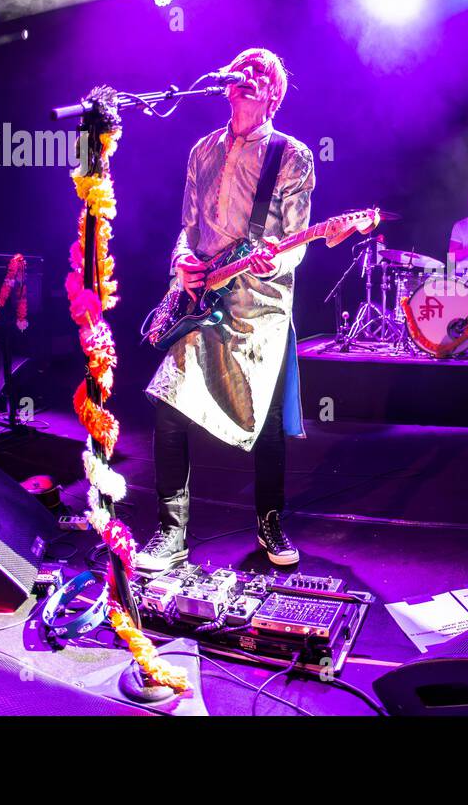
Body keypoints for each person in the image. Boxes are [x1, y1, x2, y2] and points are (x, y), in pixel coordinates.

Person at [137, 48, 315, 573]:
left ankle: (270, 521)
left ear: (273, 95)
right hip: (201, 299)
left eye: (259, 74)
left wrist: (268, 261)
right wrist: (182, 259)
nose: (246, 78)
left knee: (265, 424)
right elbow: (187, 229)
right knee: (168, 404)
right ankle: (170, 534)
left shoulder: (292, 155)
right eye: (242, 70)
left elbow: (299, 243)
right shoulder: (201, 151)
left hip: (259, 304)